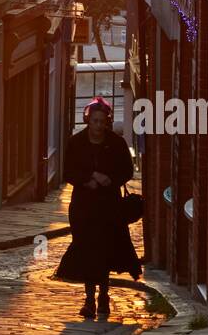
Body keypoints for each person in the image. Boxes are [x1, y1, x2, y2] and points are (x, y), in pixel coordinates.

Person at [54, 96, 142, 318]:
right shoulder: (76, 142)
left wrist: (109, 179)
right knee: (86, 251)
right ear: (88, 120)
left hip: (109, 206)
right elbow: (68, 171)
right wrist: (89, 178)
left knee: (104, 252)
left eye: (102, 121)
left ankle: (103, 296)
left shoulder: (116, 143)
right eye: (94, 121)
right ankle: (89, 299)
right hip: (83, 207)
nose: (98, 126)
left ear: (107, 121)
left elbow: (127, 171)